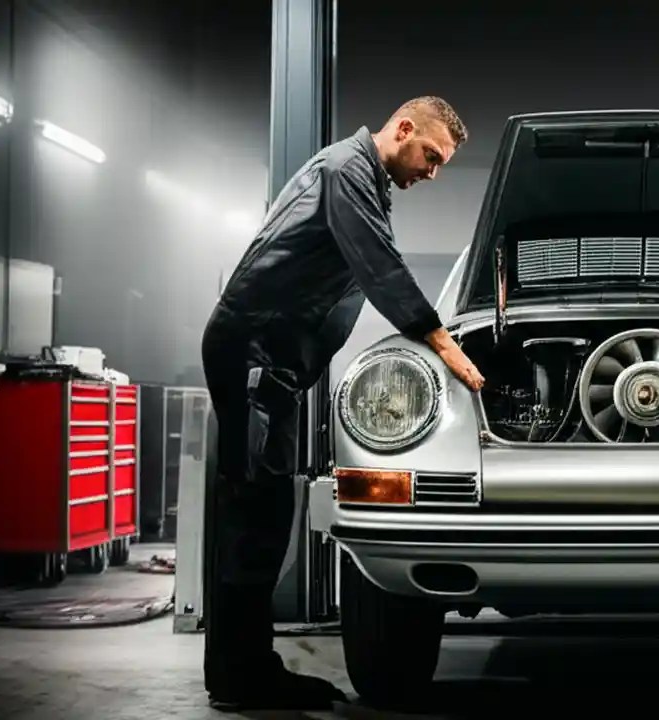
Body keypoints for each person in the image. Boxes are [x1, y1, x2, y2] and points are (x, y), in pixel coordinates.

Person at [199, 96, 486, 711]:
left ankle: (247, 667)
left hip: (272, 367)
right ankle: (240, 676)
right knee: (253, 515)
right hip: (254, 360)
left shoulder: (364, 180)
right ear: (403, 129)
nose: (433, 172)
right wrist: (444, 346)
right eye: (431, 155)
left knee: (264, 510)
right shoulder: (345, 170)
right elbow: (381, 268)